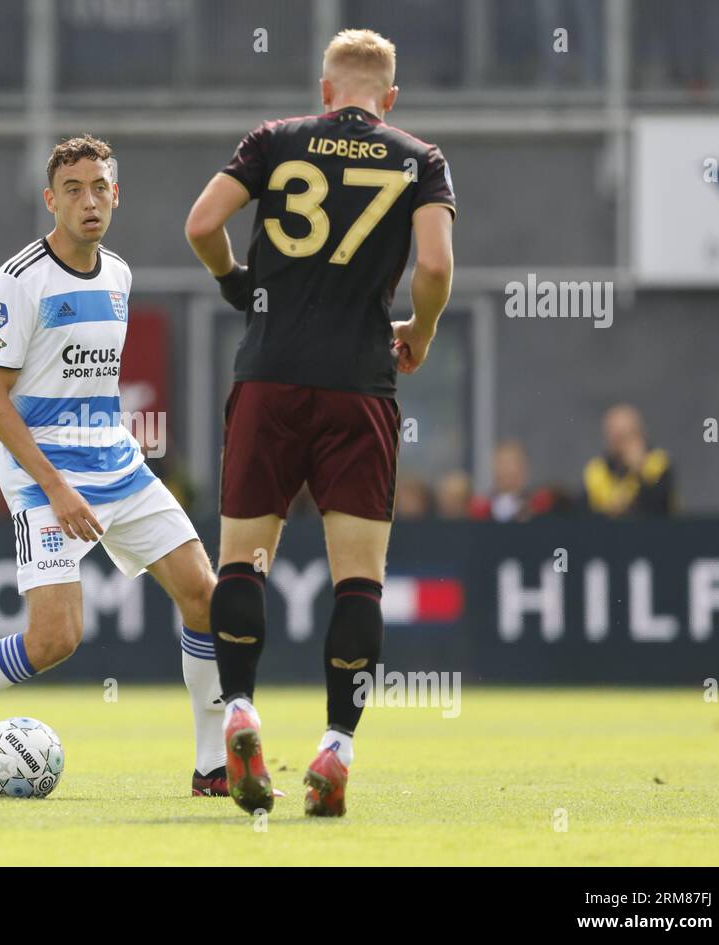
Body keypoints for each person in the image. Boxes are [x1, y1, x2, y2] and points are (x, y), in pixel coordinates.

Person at [0, 135, 227, 799]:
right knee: (57, 637)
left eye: (100, 187)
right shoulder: (20, 280)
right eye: (73, 189)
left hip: (112, 456)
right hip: (40, 466)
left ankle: (211, 768)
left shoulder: (120, 275)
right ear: (51, 200)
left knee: (205, 596)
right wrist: (54, 485)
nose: (89, 200)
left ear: (115, 195)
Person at [185, 28, 455, 816]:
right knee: (358, 580)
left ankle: (238, 709)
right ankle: (336, 747)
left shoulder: (276, 141)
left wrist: (236, 282)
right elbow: (436, 268)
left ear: (325, 90)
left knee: (241, 561)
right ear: (389, 98)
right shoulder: (419, 157)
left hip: (269, 377)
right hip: (358, 386)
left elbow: (202, 223)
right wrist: (423, 332)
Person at [584, 404, 674, 517]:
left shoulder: (658, 463)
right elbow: (588, 512)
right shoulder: (597, 469)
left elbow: (659, 508)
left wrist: (638, 469)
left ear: (640, 435)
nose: (620, 443)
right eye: (614, 435)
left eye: (626, 435)